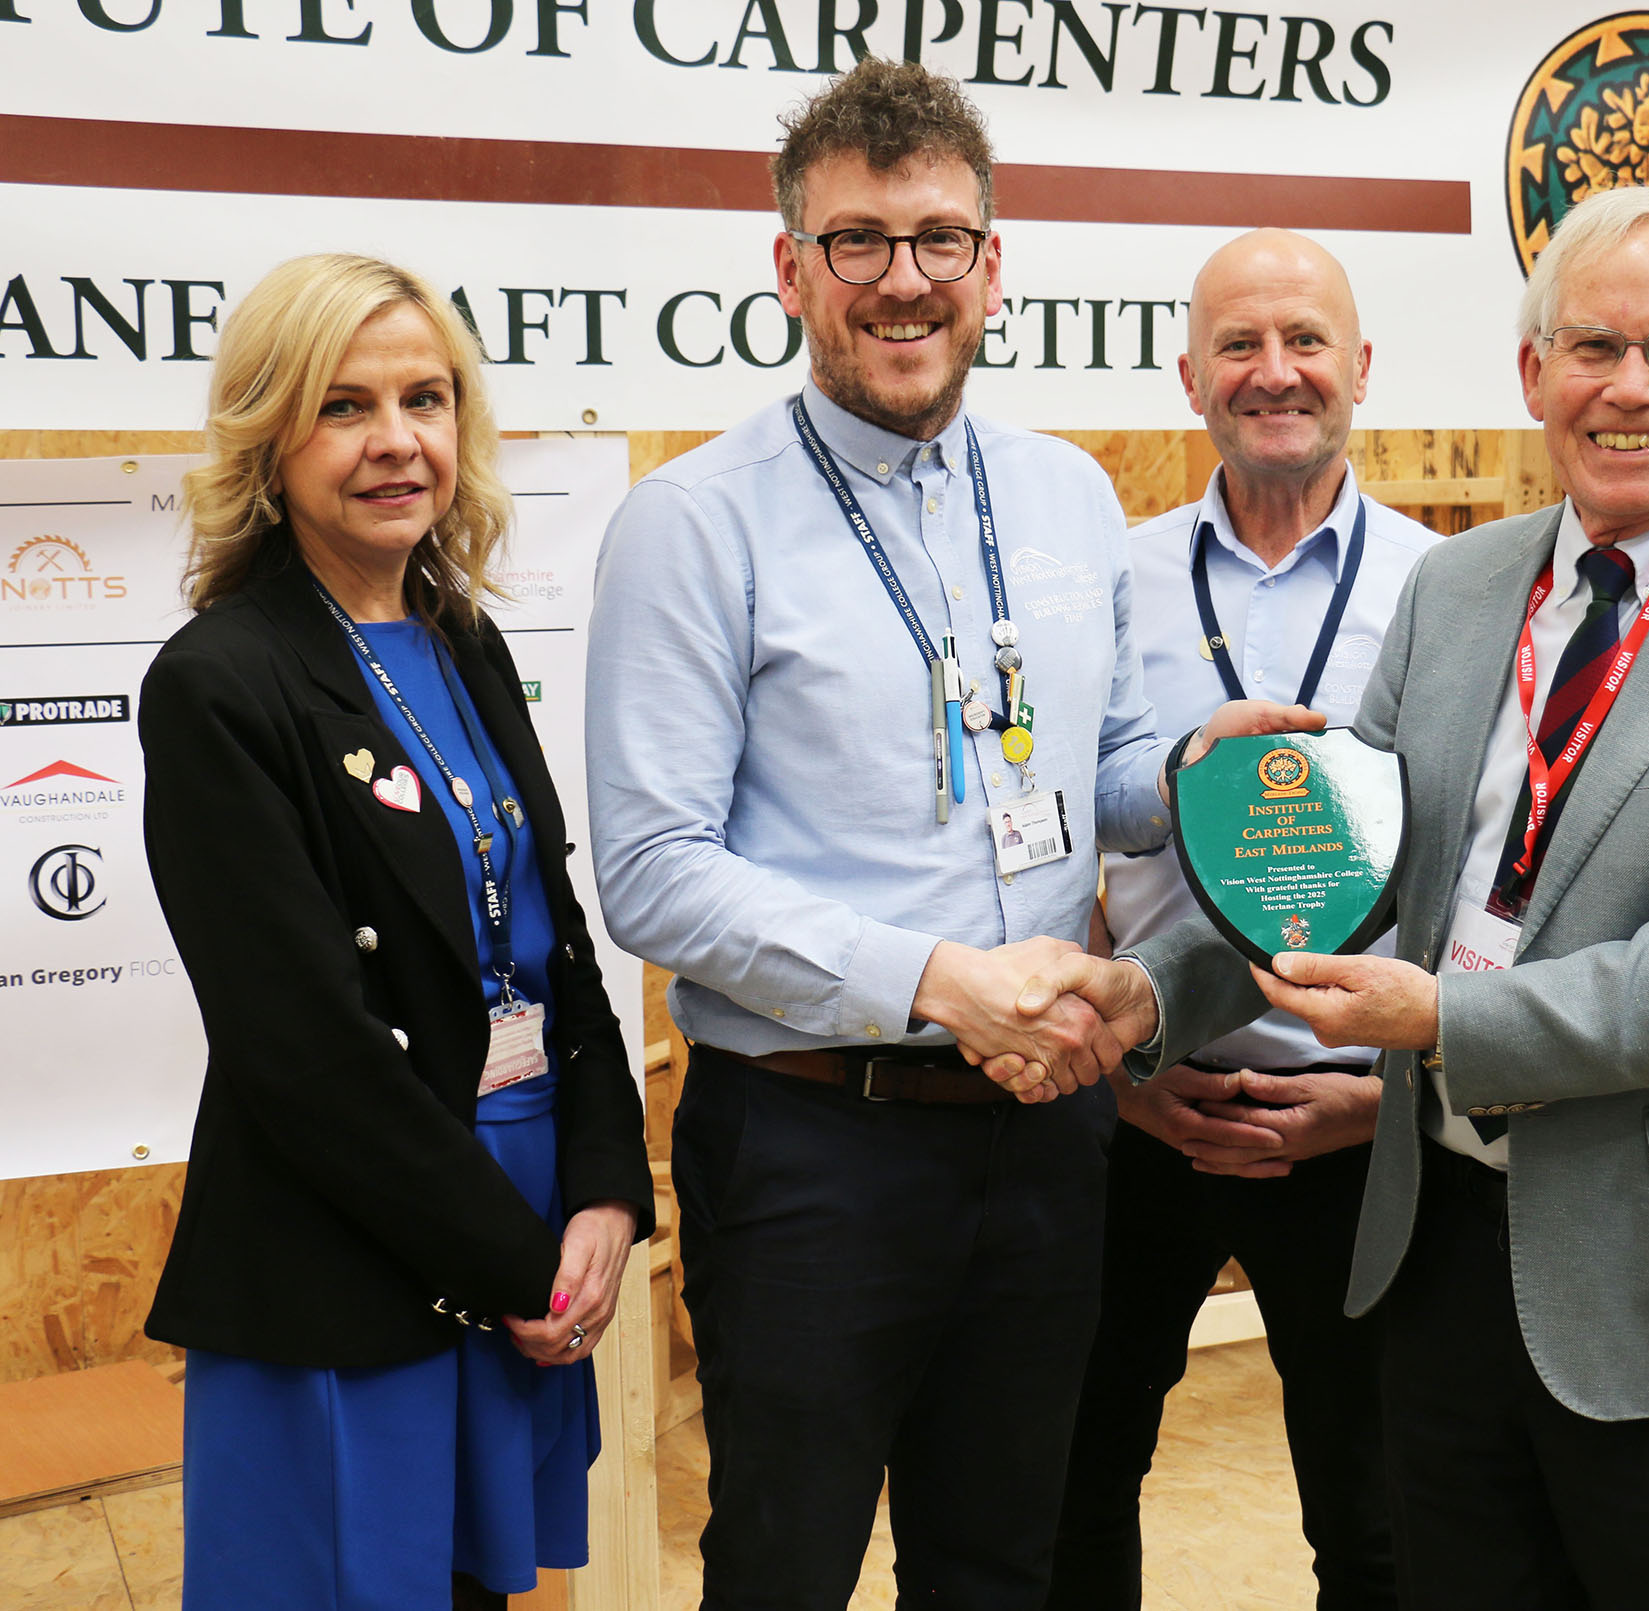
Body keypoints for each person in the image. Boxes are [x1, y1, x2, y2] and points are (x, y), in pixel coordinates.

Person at [1014, 186, 1649, 1610]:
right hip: (1435, 1252)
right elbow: (1339, 883)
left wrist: (1450, 1017)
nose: (1628, 388)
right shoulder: (1458, 589)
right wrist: (1146, 999)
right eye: (1590, 349)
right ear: (1532, 377)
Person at [583, 59, 1308, 1611]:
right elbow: (651, 870)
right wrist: (932, 978)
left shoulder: (1060, 495)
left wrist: (1185, 767)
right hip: (812, 1150)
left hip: (1047, 1138)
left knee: (1005, 1565)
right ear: (790, 268)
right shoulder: (694, 524)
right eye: (858, 241)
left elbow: (1076, 769)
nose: (900, 282)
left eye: (936, 240)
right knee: (784, 1561)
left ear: (993, 265)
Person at [138, 253, 655, 1611]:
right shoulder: (221, 684)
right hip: (364, 1260)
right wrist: (515, 1264)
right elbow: (301, 1051)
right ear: (268, 434)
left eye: (425, 398)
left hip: (526, 1221)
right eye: (344, 406)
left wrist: (605, 1187)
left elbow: (554, 943)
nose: (396, 441)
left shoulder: (461, 637)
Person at [1047, 228, 1434, 1611]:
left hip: (1355, 1126)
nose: (1275, 373)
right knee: (1072, 1491)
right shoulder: (1108, 581)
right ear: (1189, 377)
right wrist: (1118, 1075)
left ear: (1362, 368)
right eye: (1238, 345)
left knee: (1379, 1523)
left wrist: (1389, 1104)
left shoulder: (1448, 590)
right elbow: (1052, 827)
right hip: (1136, 1114)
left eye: (1305, 340)